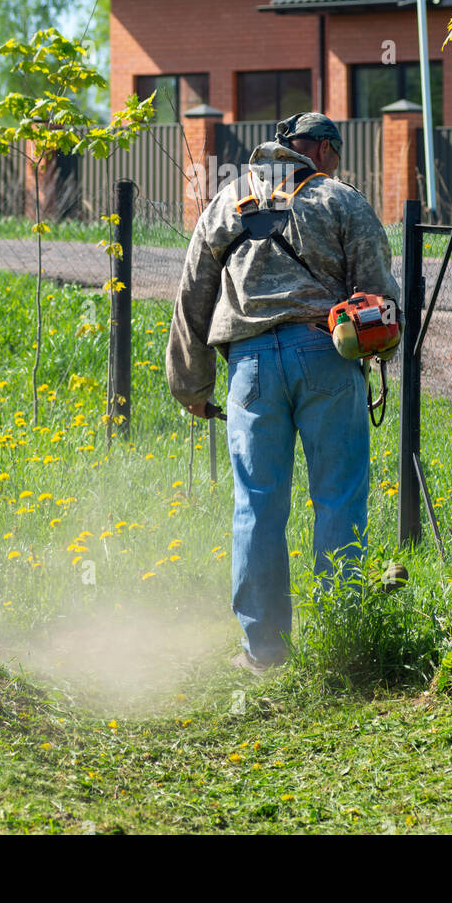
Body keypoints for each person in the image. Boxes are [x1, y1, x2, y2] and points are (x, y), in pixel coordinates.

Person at [165, 112, 401, 673]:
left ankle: (263, 652)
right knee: (338, 499)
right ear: (320, 152)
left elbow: (193, 294)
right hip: (325, 356)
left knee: (257, 506)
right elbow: (380, 297)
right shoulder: (341, 201)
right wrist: (381, 353)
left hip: (249, 368)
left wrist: (191, 386)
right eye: (335, 156)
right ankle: (343, 642)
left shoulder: (227, 203)